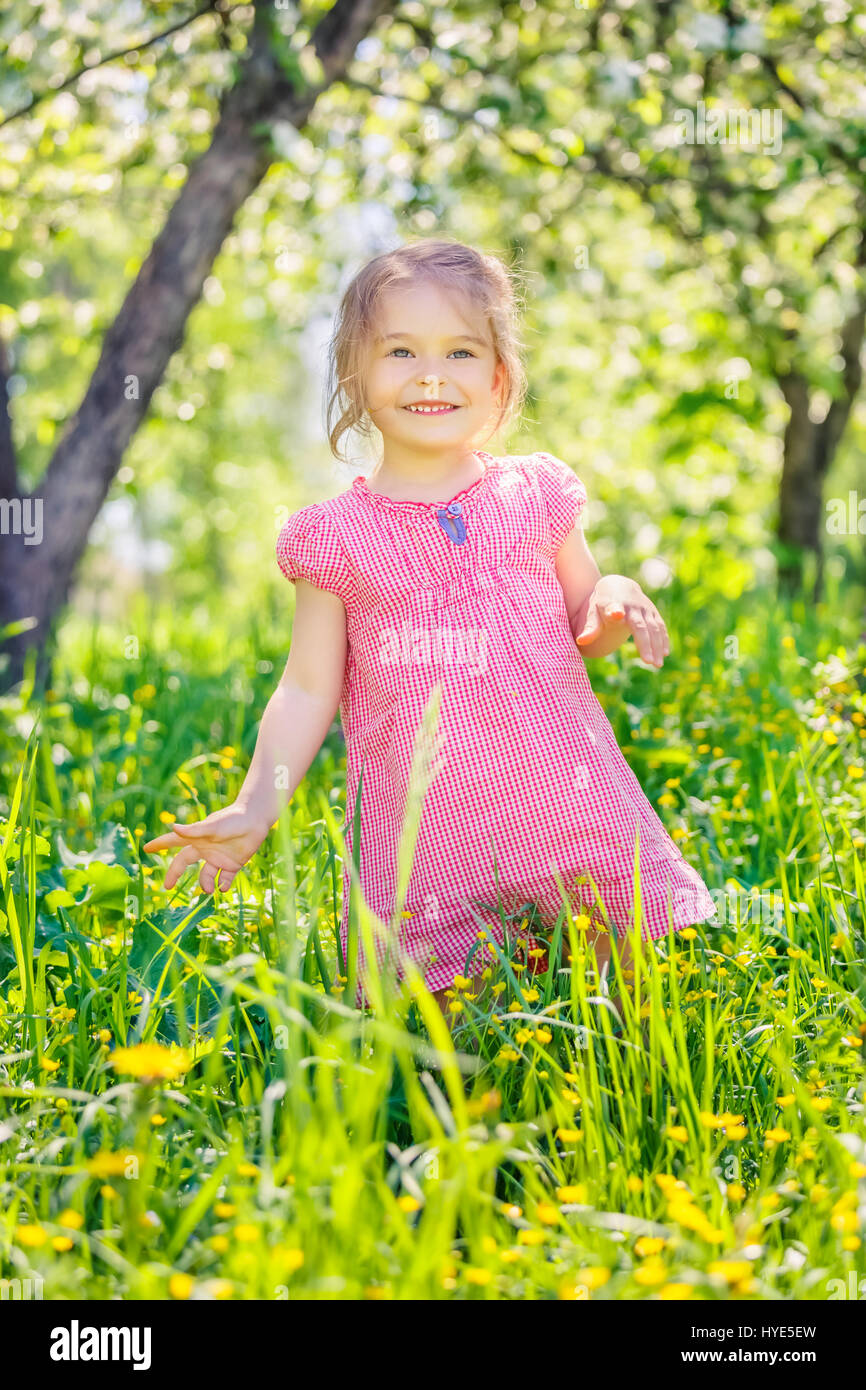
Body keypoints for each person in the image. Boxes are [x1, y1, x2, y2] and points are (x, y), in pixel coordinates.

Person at [144, 238, 717, 1023]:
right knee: (462, 1051)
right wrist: (256, 806)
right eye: (400, 351)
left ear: (498, 376)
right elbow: (307, 687)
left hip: (570, 815)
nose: (430, 374)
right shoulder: (337, 538)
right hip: (428, 849)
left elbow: (588, 619)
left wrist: (616, 598)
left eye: (459, 351)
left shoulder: (534, 494)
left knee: (627, 1017)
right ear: (356, 374)